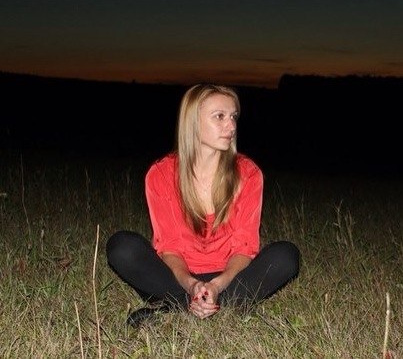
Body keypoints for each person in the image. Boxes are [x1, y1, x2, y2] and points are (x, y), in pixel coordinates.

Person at [106, 84, 300, 326]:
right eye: (219, 116)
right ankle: (203, 304)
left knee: (286, 256)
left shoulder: (248, 174)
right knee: (122, 247)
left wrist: (217, 285)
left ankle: (178, 309)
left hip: (231, 279)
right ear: (193, 123)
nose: (231, 126)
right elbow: (170, 247)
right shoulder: (162, 173)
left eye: (233, 117)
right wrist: (192, 285)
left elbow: (244, 248)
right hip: (176, 278)